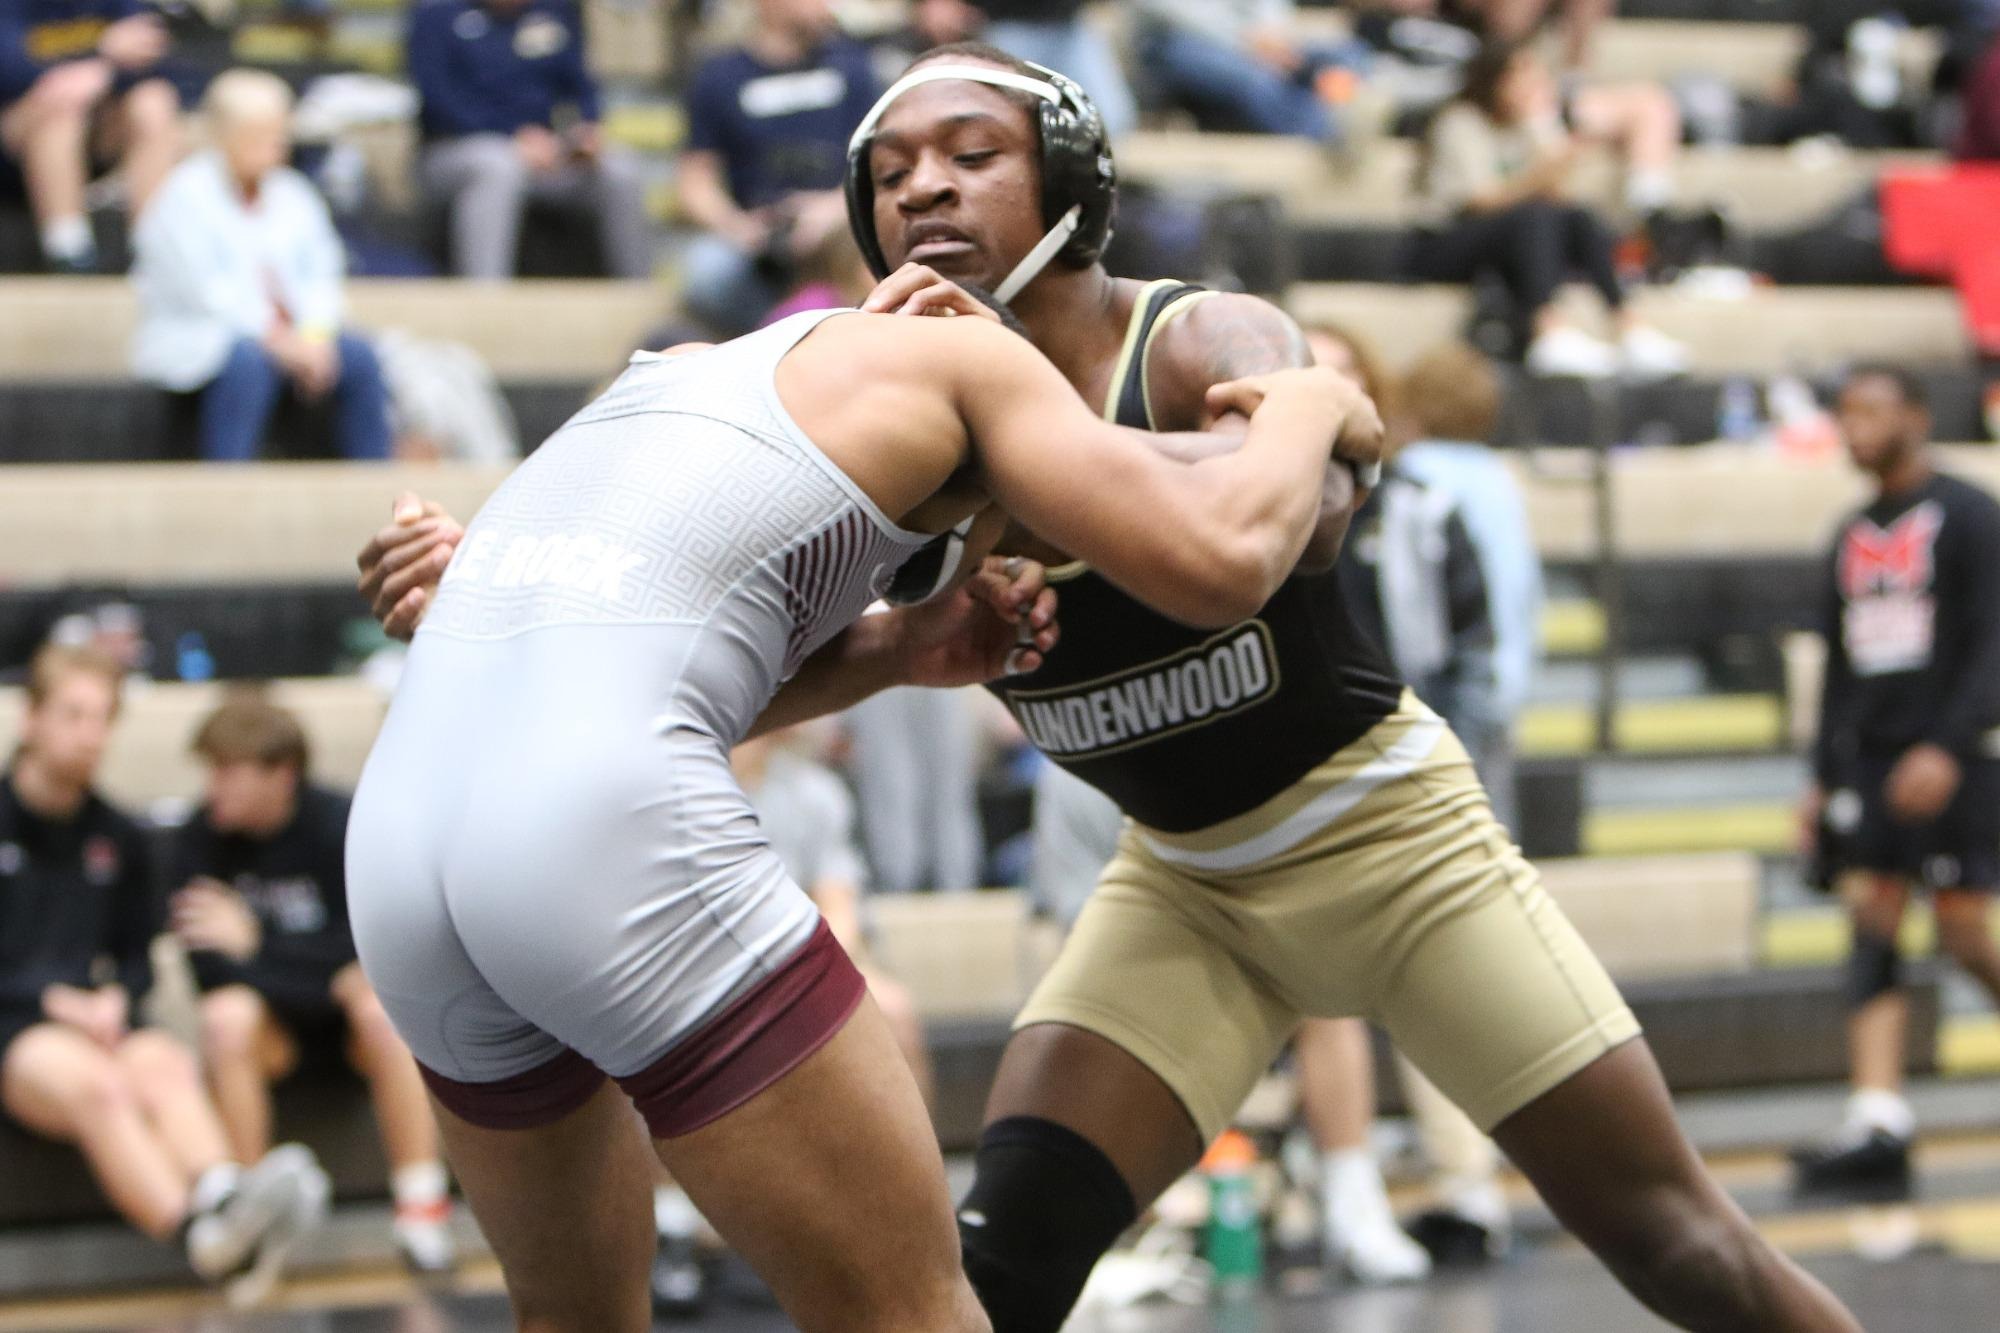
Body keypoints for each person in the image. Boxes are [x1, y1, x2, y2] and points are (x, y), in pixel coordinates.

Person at [356, 47, 1864, 1333]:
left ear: (1073, 189)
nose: (924, 191)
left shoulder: (1196, 336)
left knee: (1679, 1245)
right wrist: (532, 582)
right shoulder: (919, 408)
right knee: (986, 1285)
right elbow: (723, 610)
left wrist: (1306, 406)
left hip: (1388, 849)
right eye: (892, 172)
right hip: (1185, 889)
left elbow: (1302, 525)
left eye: (973, 155)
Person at [344, 265, 1376, 1333]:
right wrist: (1306, 408)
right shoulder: (970, 362)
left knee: (569, 1316)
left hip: (404, 832)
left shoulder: (675, 379)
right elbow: (1228, 551)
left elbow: (644, 657)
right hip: (597, 829)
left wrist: (889, 649)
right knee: (908, 1313)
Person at [0, 645, 330, 1307]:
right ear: (32, 718)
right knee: (101, 1087)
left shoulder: (118, 833)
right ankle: (204, 1238)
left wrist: (118, 994)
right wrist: (53, 1000)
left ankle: (226, 1200)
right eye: (73, 715)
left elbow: (134, 957)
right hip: (16, 1029)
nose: (90, 735)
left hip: (102, 1021)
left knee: (163, 1062)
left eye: (102, 719)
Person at [1793, 364, 2000, 1200]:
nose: (1856, 427)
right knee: (1872, 920)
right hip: (1872, 759)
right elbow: (1838, 667)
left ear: (1916, 414)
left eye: (1874, 410)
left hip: (1953, 753)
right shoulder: (1848, 531)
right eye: (1845, 413)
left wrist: (1950, 746)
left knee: (1961, 932)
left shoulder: (1971, 515)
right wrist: (1820, 776)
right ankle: (1878, 1114)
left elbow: (1995, 641)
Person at [170, 695, 457, 1274]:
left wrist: (256, 946)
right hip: (271, 1033)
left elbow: (370, 952)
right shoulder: (197, 840)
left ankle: (422, 1211)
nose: (213, 788)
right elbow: (210, 974)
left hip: (350, 1033)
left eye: (227, 771)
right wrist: (316, 973)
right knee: (227, 1017)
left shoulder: (340, 824)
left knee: (380, 1009)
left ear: (281, 774)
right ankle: (249, 1221)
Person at [130, 69, 393, 464]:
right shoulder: (183, 196)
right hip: (208, 341)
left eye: (278, 134)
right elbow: (206, 294)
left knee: (359, 357)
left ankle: (375, 481)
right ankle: (228, 481)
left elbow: (321, 272)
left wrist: (316, 335)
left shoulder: (293, 193)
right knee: (248, 362)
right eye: (259, 136)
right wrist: (279, 340)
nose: (275, 146)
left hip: (295, 337)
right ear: (224, 135)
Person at [1411, 40, 1686, 378]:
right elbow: (1479, 200)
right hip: (1444, 242)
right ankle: (1547, 328)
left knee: (1578, 217)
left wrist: (1544, 133)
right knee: (1535, 216)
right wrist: (1541, 174)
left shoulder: (1525, 126)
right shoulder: (1461, 122)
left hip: (1510, 234)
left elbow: (1561, 197)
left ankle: (1628, 324)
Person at [1389, 337, 1542, 827]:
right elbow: (1524, 588)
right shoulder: (1500, 477)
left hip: (1450, 690)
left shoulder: (1414, 480)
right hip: (1504, 678)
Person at [408, 0, 652, 279]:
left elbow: (581, 87)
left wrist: (585, 131)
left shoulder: (554, 11)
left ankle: (637, 292)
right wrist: (513, 138)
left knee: (620, 170)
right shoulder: (436, 12)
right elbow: (439, 103)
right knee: (498, 166)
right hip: (455, 151)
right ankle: (484, 297)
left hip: (545, 151)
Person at [677, 0, 878, 334]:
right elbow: (694, 183)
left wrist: (834, 208)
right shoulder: (718, 76)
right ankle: (781, 340)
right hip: (758, 232)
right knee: (706, 271)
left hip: (840, 224)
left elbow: (879, 163)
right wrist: (738, 227)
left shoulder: (853, 66)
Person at [0, 0, 179, 271]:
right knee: (60, 106)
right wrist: (100, 50)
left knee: (153, 101)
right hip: (19, 134)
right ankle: (67, 250)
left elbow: (156, 60)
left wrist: (102, 69)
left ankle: (153, 250)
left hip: (96, 130)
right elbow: (10, 70)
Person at [1133, 0, 1376, 144]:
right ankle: (1328, 126)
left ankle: (1336, 103)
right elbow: (1164, 10)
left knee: (1352, 53)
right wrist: (1244, 43)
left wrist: (1272, 36)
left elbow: (1268, 10)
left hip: (1253, 42)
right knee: (1254, 81)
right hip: (1177, 43)